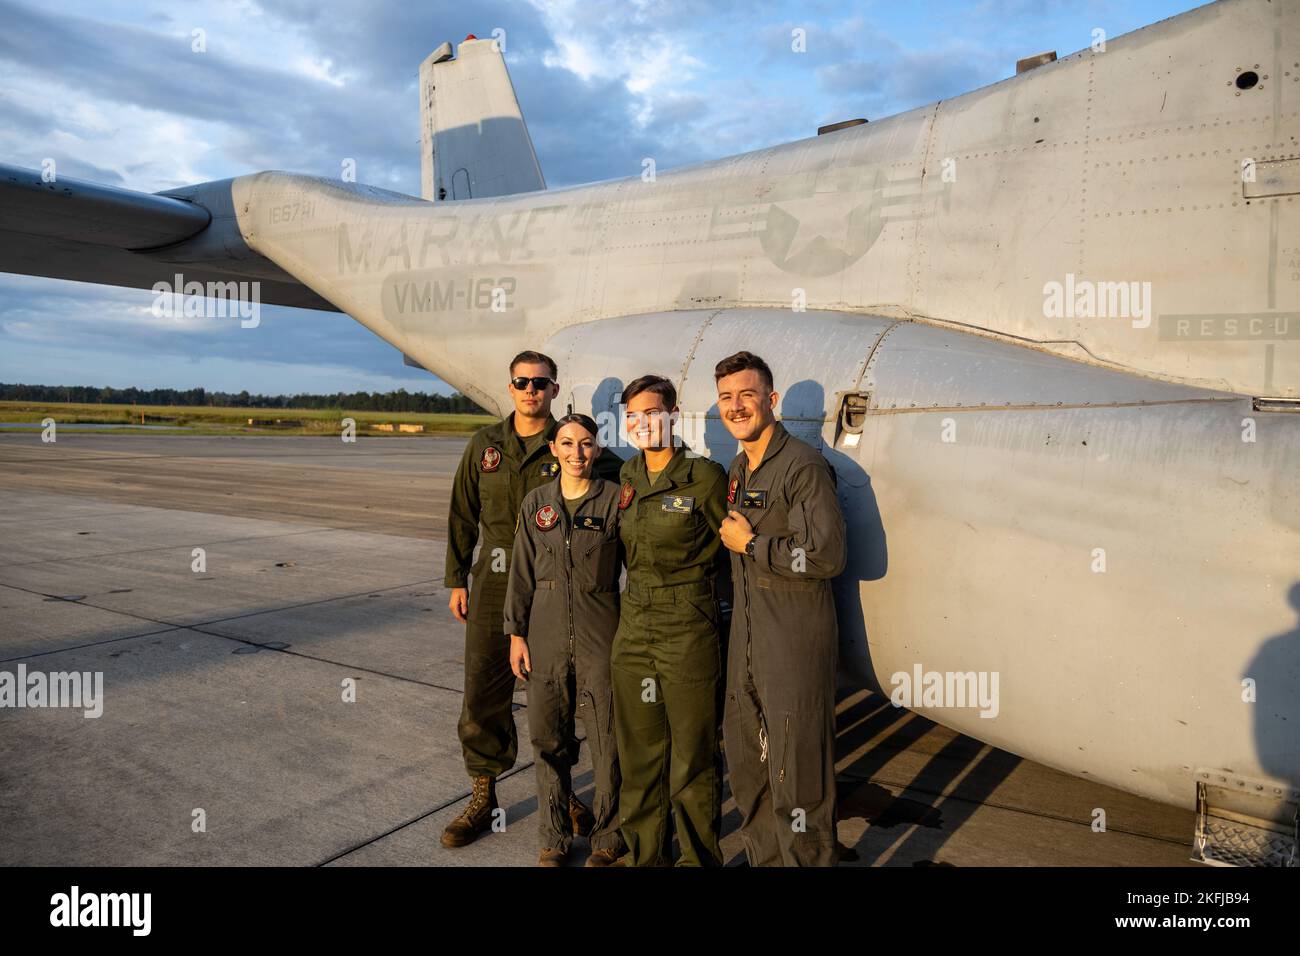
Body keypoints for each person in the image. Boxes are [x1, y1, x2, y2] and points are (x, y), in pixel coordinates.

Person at [442, 351, 621, 848]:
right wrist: (457, 576)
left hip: (553, 581)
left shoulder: (569, 443)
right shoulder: (486, 445)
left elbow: (629, 484)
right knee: (484, 687)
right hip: (496, 574)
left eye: (540, 383)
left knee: (560, 692)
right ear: (510, 385)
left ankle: (562, 795)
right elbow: (462, 512)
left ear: (554, 389)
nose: (530, 390)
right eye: (522, 382)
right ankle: (483, 795)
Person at [715, 350, 847, 866]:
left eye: (747, 394)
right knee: (751, 774)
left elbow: (826, 554)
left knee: (799, 783)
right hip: (746, 643)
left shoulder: (804, 466)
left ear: (770, 400)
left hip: (793, 643)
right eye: (726, 397)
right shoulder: (738, 467)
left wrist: (753, 546)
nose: (736, 405)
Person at [611, 374, 729, 866]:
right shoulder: (627, 477)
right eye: (633, 415)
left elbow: (733, 552)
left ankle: (698, 860)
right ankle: (646, 856)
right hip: (634, 623)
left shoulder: (705, 477)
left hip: (687, 623)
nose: (642, 423)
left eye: (652, 413)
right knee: (639, 754)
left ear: (673, 416)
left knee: (692, 756)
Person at [504, 413, 628, 867]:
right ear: (553, 450)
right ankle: (554, 837)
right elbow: (520, 573)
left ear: (596, 449)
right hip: (545, 631)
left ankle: (609, 836)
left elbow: (636, 568)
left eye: (587, 444)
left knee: (607, 738)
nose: (577, 452)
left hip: (602, 630)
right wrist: (516, 633)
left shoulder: (615, 500)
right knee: (548, 739)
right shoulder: (536, 503)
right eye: (568, 443)